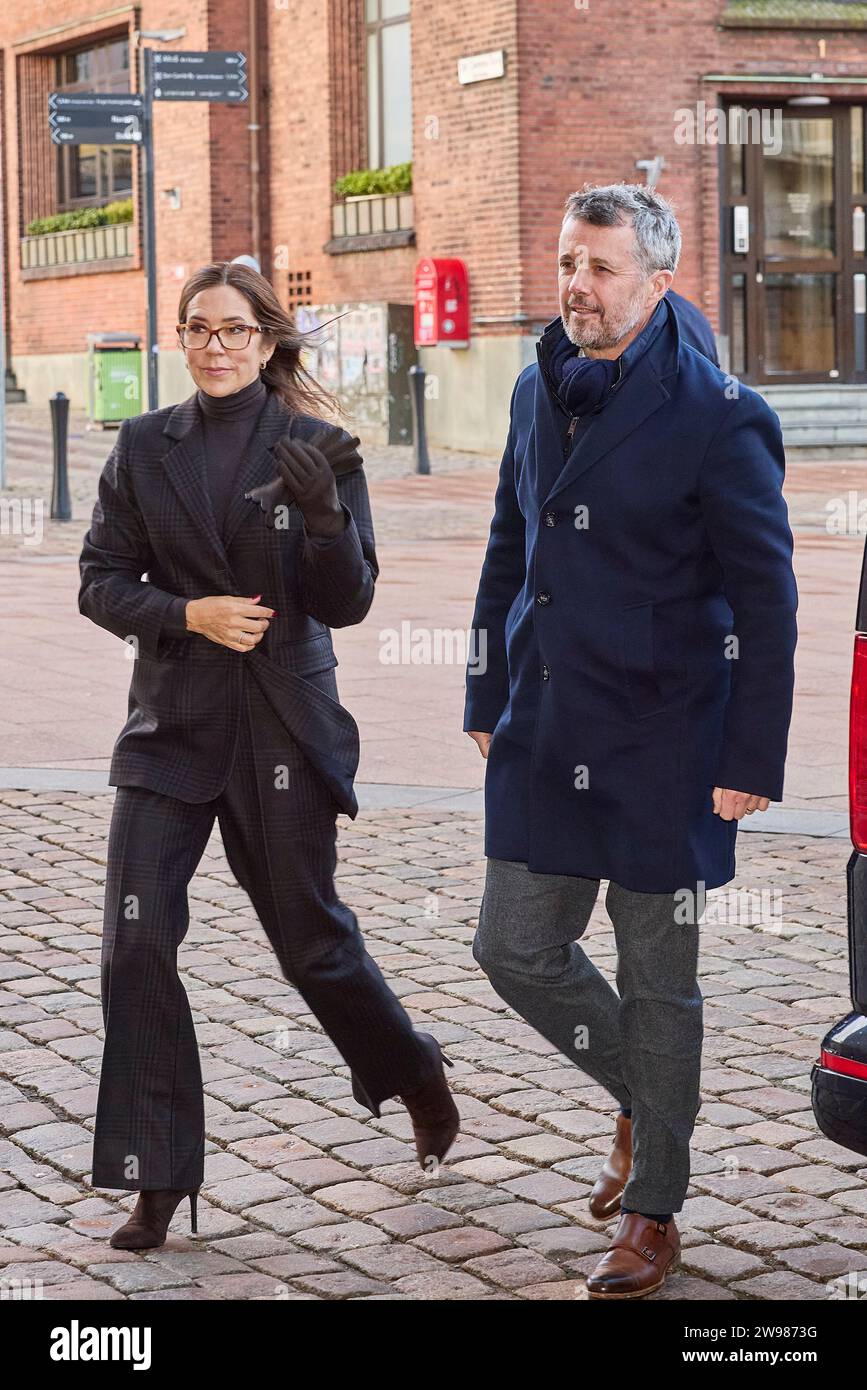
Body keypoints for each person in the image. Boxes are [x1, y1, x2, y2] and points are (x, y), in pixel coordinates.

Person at [79, 260, 459, 1251]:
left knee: (312, 944)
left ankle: (411, 1068)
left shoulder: (317, 445)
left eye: (234, 329)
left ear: (269, 340)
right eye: (198, 328)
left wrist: (327, 518)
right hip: (170, 731)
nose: (214, 345)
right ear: (183, 338)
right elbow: (101, 581)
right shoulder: (140, 449)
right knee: (134, 940)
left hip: (281, 729)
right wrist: (185, 613)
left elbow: (349, 600)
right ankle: (156, 1174)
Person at [463, 184, 797, 1299]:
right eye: (567, 262)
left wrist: (751, 757)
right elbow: (509, 536)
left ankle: (655, 1208)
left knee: (663, 984)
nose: (577, 286)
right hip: (545, 720)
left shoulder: (718, 409)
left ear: (656, 281)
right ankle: (644, 1099)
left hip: (669, 740)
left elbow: (768, 593)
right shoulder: (532, 385)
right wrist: (484, 677)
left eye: (602, 268)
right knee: (512, 946)